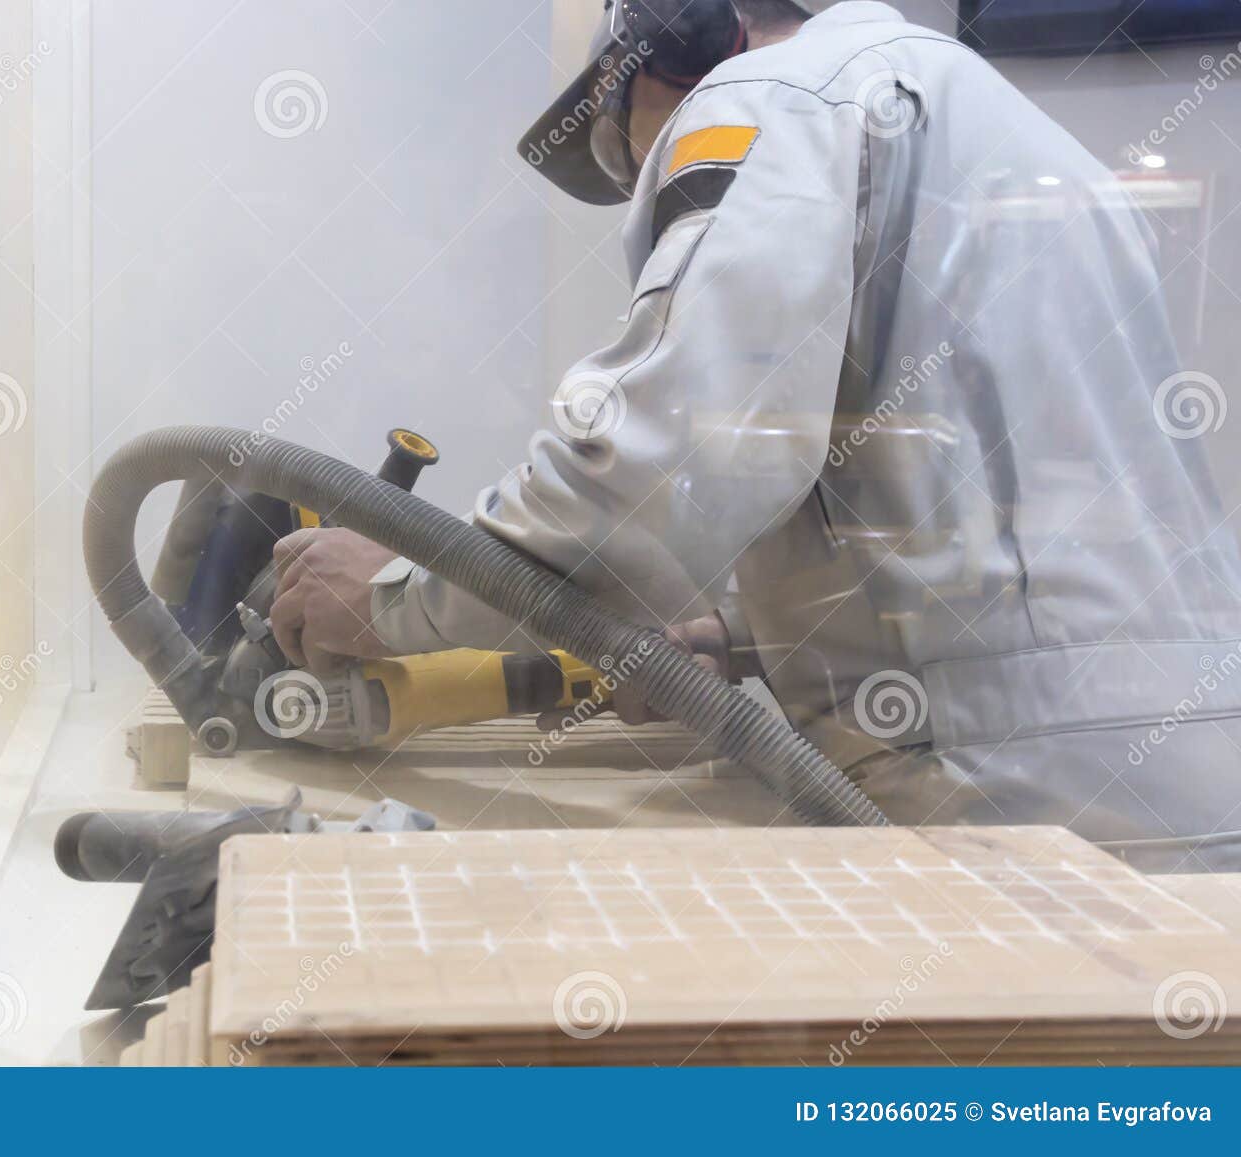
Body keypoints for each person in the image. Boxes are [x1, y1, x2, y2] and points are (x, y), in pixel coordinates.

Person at [268, 1, 1241, 872]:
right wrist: (752, 634)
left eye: (621, 145)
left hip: (997, 787)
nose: (638, 169)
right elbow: (981, 503)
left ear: (674, 34)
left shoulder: (762, 93)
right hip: (1190, 780)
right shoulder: (1021, 140)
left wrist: (390, 592)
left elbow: (657, 464)